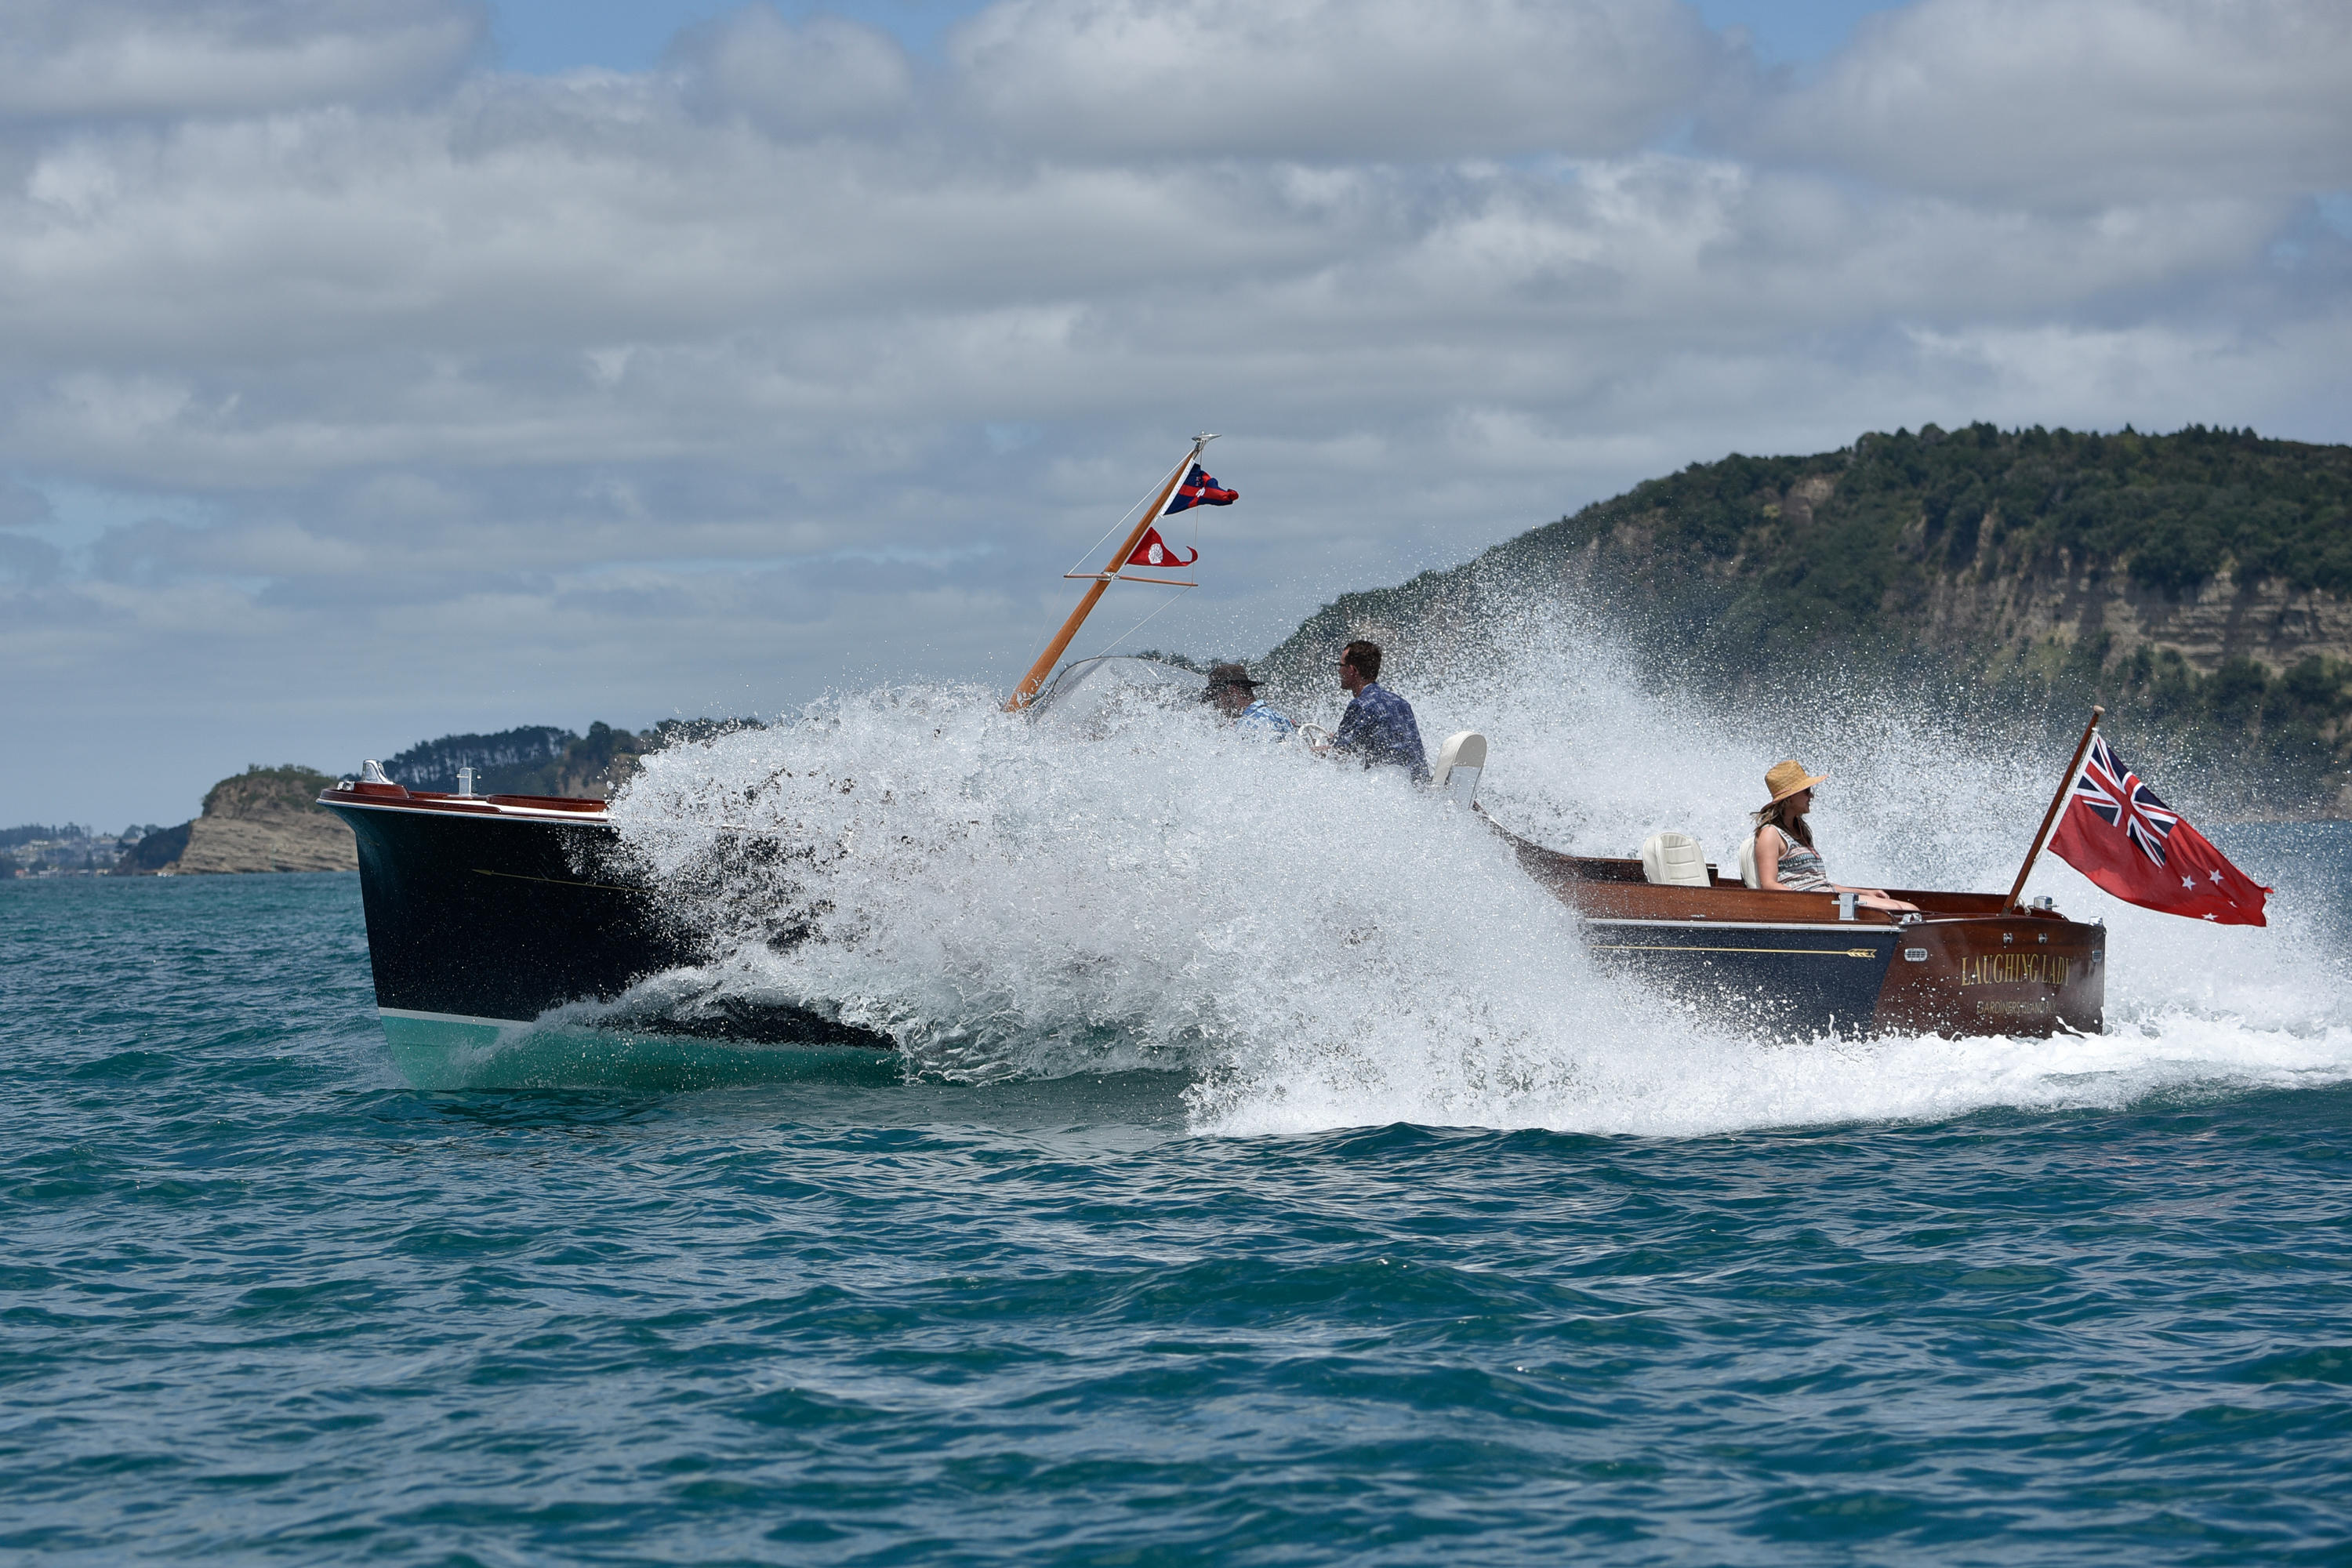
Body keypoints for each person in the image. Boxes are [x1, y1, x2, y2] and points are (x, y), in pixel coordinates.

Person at [1751, 760, 1918, 913]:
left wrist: (1864, 892)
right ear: (1789, 799)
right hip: (1811, 904)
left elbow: (1821, 884)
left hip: (1824, 898)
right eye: (1806, 791)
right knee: (1898, 910)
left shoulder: (1801, 831)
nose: (1811, 796)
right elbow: (1769, 885)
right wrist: (1812, 901)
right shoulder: (1770, 834)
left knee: (1910, 909)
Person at [1327, 640, 1428, 782]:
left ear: (1353, 670)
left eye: (1341, 666)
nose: (1339, 671)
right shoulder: (1401, 703)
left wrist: (1306, 752)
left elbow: (1339, 755)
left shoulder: (1360, 706)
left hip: (1388, 790)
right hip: (1417, 787)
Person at [1202, 662, 1294, 739]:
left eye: (1216, 697)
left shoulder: (1255, 723)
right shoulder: (1269, 715)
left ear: (1232, 690)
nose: (1216, 705)